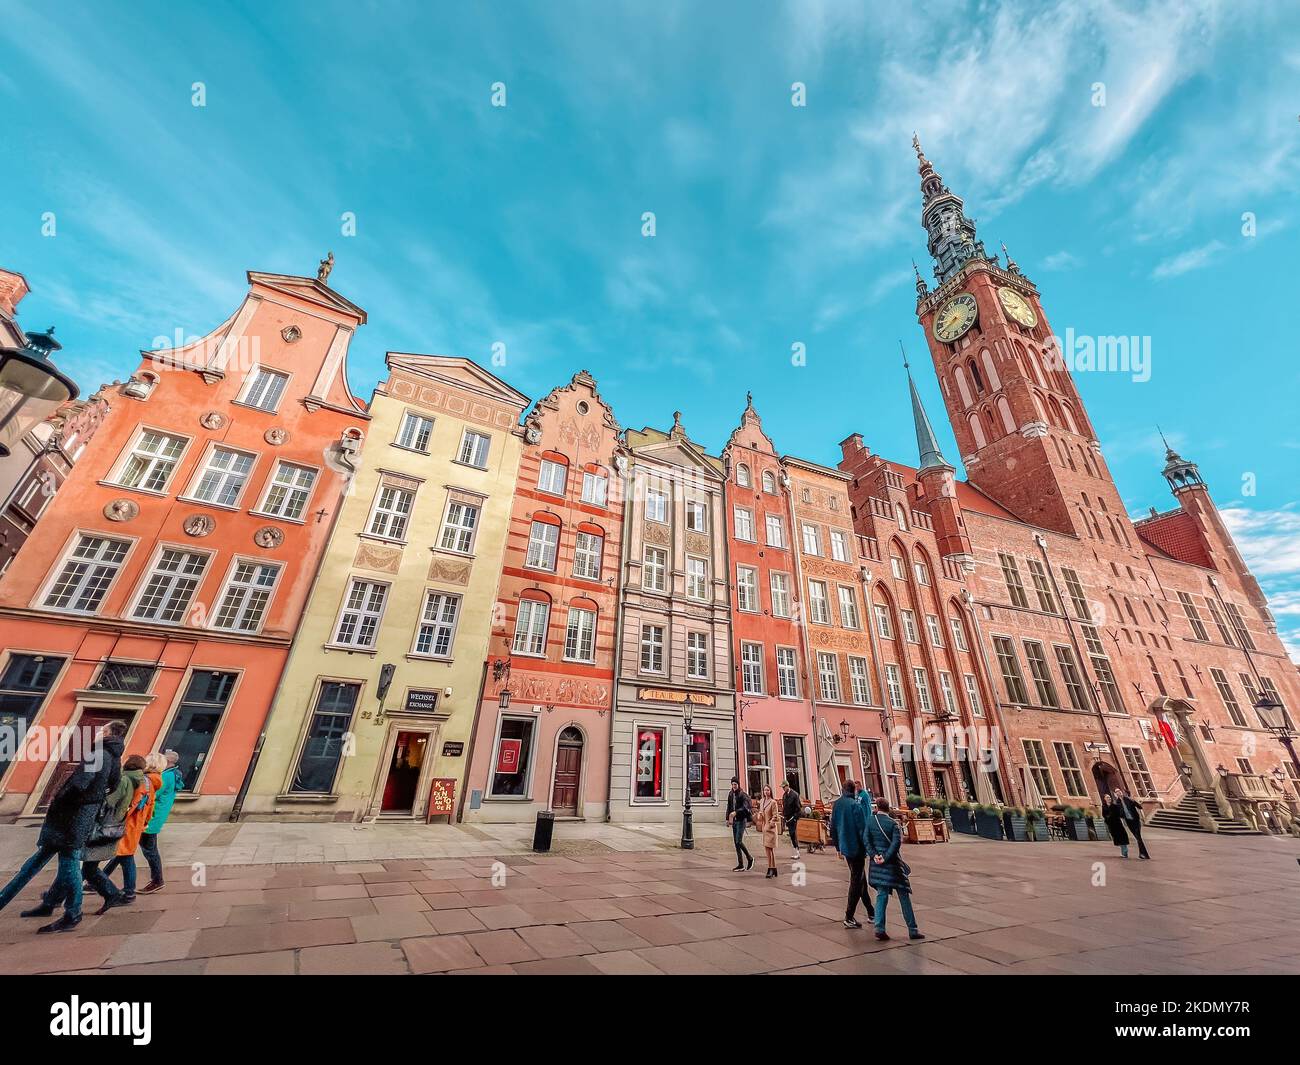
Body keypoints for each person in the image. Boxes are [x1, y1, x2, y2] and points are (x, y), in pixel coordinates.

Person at [0, 720, 126, 933]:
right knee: (36, 863)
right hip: (81, 817)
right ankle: (42, 904)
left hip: (70, 818)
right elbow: (113, 784)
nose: (96, 732)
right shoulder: (114, 758)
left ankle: (73, 913)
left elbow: (80, 783)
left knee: (68, 864)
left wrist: (61, 799)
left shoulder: (98, 754)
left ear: (108, 733)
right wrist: (93, 799)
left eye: (101, 729)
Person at [102, 755, 160, 902]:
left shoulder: (127, 780)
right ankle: (127, 892)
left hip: (121, 824)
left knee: (91, 863)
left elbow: (112, 801)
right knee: (125, 858)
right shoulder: (149, 784)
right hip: (135, 826)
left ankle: (123, 892)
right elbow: (151, 807)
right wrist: (144, 823)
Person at [865, 797, 924, 942]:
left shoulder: (870, 821)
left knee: (881, 895)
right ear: (888, 808)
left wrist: (874, 856)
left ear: (877, 808)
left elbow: (866, 840)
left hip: (877, 864)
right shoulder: (893, 824)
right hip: (892, 864)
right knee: (904, 895)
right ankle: (913, 929)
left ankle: (879, 927)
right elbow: (896, 843)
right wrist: (886, 857)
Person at [829, 780, 874, 928]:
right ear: (854, 790)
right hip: (857, 848)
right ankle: (849, 916)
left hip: (845, 848)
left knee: (861, 879)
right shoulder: (855, 805)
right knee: (857, 881)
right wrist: (870, 849)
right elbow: (862, 830)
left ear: (842, 789)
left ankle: (871, 912)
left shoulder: (837, 805)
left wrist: (837, 847)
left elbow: (833, 828)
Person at [139, 749, 182, 893]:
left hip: (151, 818)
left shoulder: (166, 777)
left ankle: (157, 880)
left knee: (149, 851)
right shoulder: (169, 775)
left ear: (168, 762)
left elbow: (151, 794)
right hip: (153, 817)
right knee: (127, 851)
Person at [725, 777, 754, 871]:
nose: (734, 786)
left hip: (741, 820)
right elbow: (729, 806)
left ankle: (750, 858)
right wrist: (727, 819)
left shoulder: (742, 795)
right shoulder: (730, 794)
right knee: (736, 843)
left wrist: (736, 812)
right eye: (732, 784)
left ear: (738, 785)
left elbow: (745, 808)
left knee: (738, 841)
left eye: (735, 784)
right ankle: (740, 864)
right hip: (734, 821)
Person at [1113, 787, 1150, 859]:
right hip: (1129, 822)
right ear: (1115, 794)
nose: (1118, 792)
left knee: (1138, 837)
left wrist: (1134, 801)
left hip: (1135, 820)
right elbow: (1120, 815)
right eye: (1117, 791)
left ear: (1121, 792)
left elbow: (1140, 807)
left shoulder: (1128, 799)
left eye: (1119, 790)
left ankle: (1143, 854)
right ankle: (1143, 854)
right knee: (1138, 838)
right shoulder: (1117, 803)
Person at [753, 784, 780, 878]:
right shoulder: (762, 801)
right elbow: (761, 812)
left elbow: (776, 815)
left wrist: (771, 823)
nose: (766, 792)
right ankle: (773, 868)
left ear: (770, 791)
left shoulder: (773, 802)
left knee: (770, 849)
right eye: (765, 790)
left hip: (771, 829)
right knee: (767, 849)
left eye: (768, 790)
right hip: (764, 828)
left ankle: (771, 869)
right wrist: (759, 816)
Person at [1101, 793, 1130, 858]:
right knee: (1116, 838)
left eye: (1109, 797)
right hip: (1111, 824)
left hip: (1117, 824)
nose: (1109, 798)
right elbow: (1103, 814)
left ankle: (1125, 852)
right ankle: (1123, 851)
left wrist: (1110, 816)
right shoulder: (1104, 806)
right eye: (1107, 797)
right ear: (1104, 799)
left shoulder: (1114, 805)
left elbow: (1118, 814)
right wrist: (1107, 818)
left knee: (1122, 837)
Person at [780, 780, 802, 859]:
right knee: (791, 834)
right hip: (787, 817)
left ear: (787, 786)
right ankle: (795, 851)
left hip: (793, 817)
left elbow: (799, 808)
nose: (783, 788)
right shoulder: (784, 795)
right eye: (782, 787)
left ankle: (797, 852)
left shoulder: (795, 795)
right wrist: (784, 816)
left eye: (784, 787)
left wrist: (795, 817)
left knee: (793, 833)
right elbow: (784, 807)